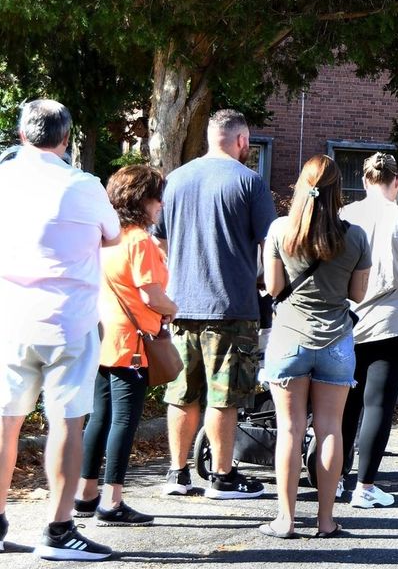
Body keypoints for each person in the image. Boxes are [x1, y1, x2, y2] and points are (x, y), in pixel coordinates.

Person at [0, 100, 121, 560]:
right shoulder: (82, 184)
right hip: (68, 320)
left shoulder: (4, 178)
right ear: (66, 139)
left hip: (10, 315)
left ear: (21, 135)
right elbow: (111, 235)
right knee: (66, 421)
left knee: (4, 421)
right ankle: (58, 529)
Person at [156, 109, 276, 500]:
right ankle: (223, 477)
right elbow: (269, 244)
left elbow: (158, 241)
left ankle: (177, 473)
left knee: (181, 392)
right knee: (223, 396)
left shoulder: (175, 180)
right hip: (229, 305)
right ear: (242, 140)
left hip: (180, 303)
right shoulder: (250, 181)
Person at [260, 155, 370, 538]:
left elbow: (273, 289)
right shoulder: (355, 236)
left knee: (289, 430)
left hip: (289, 337)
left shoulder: (279, 231)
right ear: (339, 190)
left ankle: (286, 520)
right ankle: (326, 521)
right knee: (330, 430)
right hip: (337, 341)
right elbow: (358, 293)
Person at [75, 166, 176, 527]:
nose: (161, 204)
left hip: (104, 336)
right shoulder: (140, 242)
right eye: (157, 196)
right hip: (133, 344)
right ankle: (112, 500)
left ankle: (85, 494)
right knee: (125, 422)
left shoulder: (106, 238)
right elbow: (152, 295)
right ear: (143, 200)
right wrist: (173, 307)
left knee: (98, 419)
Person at [339, 153, 398, 509]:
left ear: (364, 181)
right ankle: (365, 486)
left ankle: (334, 479)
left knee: (343, 404)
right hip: (395, 322)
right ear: (397, 181)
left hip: (346, 320)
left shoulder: (344, 216)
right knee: (377, 403)